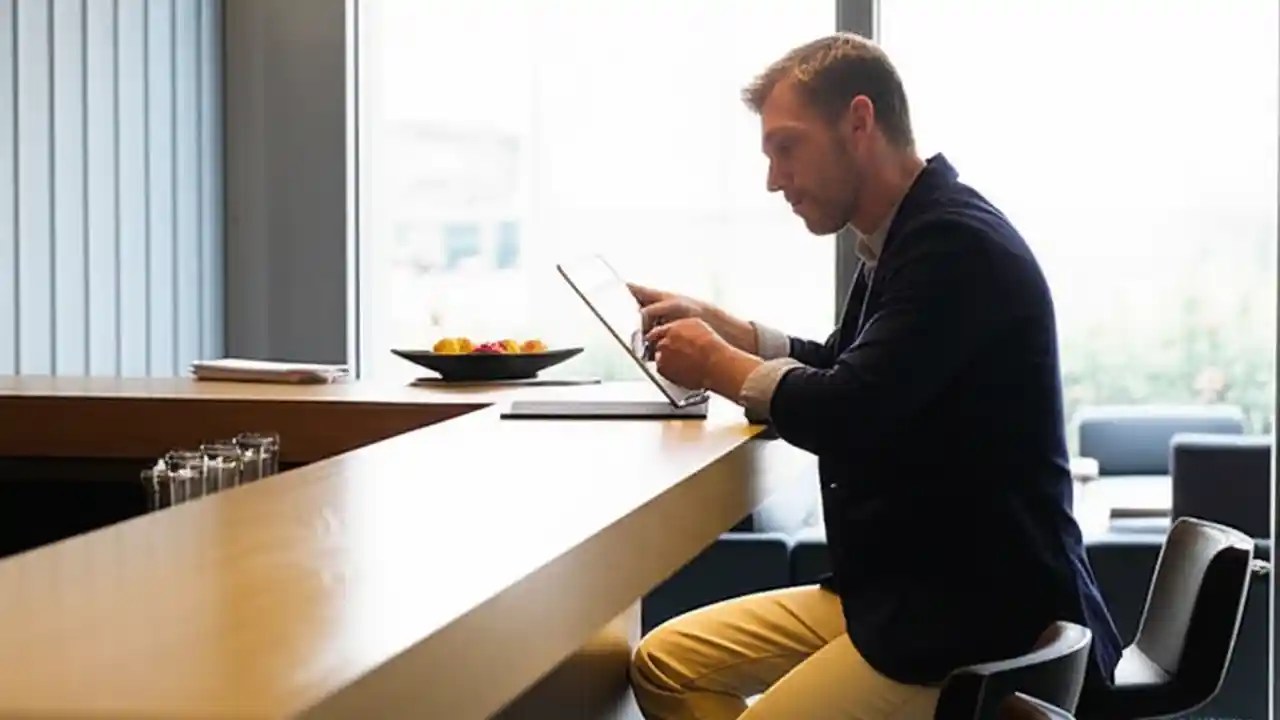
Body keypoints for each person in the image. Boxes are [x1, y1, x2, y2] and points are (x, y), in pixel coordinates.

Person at [626, 32, 1122, 720]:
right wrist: (733, 331)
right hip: (905, 597)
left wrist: (718, 363)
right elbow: (848, 364)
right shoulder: (905, 236)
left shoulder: (953, 245)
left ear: (859, 122)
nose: (774, 179)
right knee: (664, 665)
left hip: (972, 623)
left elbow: (851, 409)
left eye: (786, 147)